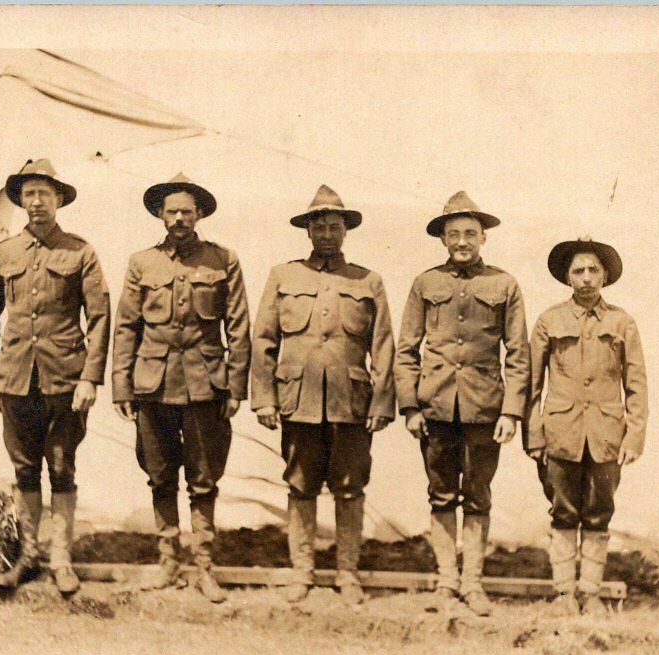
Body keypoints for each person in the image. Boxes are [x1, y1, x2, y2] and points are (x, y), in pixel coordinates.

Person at [251, 185, 395, 606]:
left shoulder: (367, 280)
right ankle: (302, 571)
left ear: (346, 231)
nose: (327, 233)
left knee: (350, 489)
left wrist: (383, 403)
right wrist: (264, 398)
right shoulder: (284, 276)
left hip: (352, 404)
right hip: (298, 401)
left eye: (335, 226)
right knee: (300, 486)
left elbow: (383, 344)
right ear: (308, 230)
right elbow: (263, 340)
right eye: (319, 226)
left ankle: (347, 574)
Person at [111, 173, 250, 604]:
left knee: (204, 479)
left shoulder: (222, 259)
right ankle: (168, 559)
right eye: (171, 211)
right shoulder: (141, 263)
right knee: (159, 475)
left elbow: (239, 328)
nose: (179, 218)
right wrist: (121, 386)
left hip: (206, 385)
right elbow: (126, 326)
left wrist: (236, 388)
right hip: (153, 385)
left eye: (187, 211)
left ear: (200, 214)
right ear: (159, 215)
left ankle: (204, 565)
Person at [0, 159, 111, 595]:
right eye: (29, 194)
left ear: (59, 200)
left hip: (64, 380)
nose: (37, 202)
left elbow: (101, 317)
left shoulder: (80, 251)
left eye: (45, 194)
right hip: (15, 378)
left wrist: (90, 377)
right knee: (25, 470)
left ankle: (61, 558)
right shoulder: (3, 254)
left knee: (62, 467)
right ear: (21, 200)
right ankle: (29, 557)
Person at [395, 191, 529, 617]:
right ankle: (446, 581)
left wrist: (511, 411)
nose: (462, 241)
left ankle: (472, 582)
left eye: (470, 233)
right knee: (440, 495)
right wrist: (410, 407)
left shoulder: (504, 284)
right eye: (454, 234)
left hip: (483, 409)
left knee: (478, 496)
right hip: (435, 406)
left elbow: (519, 353)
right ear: (443, 240)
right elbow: (405, 350)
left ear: (484, 238)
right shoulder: (425, 283)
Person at [524, 236, 648, 616]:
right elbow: (532, 382)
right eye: (578, 270)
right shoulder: (550, 320)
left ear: (606, 275)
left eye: (594, 270)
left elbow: (637, 383)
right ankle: (563, 593)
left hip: (606, 435)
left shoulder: (622, 322)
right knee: (562, 511)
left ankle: (590, 592)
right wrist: (534, 434)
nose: (586, 277)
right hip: (561, 433)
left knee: (598, 511)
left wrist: (634, 437)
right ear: (567, 276)